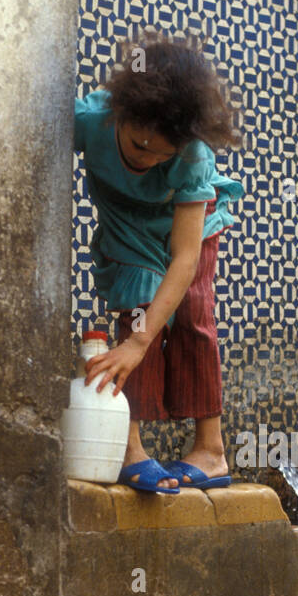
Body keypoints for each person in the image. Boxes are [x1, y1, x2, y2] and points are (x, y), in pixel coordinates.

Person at [73, 28, 244, 492]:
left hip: (187, 229)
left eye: (159, 153)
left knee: (193, 317)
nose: (146, 158)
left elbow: (185, 258)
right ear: (121, 115)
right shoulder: (90, 118)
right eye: (138, 145)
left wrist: (144, 342)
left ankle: (211, 450)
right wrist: (137, 341)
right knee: (137, 317)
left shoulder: (192, 156)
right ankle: (130, 448)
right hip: (128, 230)